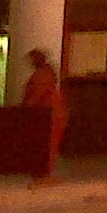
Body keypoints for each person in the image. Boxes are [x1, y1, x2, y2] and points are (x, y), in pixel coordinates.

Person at [21, 49, 68, 181]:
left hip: (49, 114)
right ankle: (42, 173)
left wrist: (25, 110)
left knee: (48, 144)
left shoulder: (43, 75)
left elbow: (36, 95)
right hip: (49, 113)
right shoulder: (44, 74)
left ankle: (44, 174)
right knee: (46, 144)